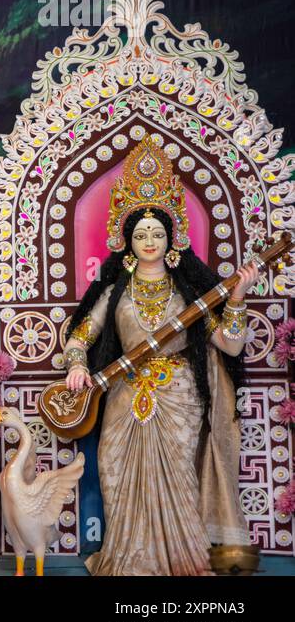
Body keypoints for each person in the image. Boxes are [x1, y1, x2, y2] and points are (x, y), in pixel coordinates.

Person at [62, 138, 256, 576]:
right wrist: (77, 364)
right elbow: (79, 338)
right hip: (124, 396)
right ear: (128, 243)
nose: (149, 240)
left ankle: (181, 562)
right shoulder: (114, 293)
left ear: (172, 240)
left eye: (157, 233)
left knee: (180, 483)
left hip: (179, 399)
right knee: (117, 476)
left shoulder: (193, 296)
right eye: (140, 234)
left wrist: (238, 296)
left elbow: (230, 344)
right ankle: (130, 562)